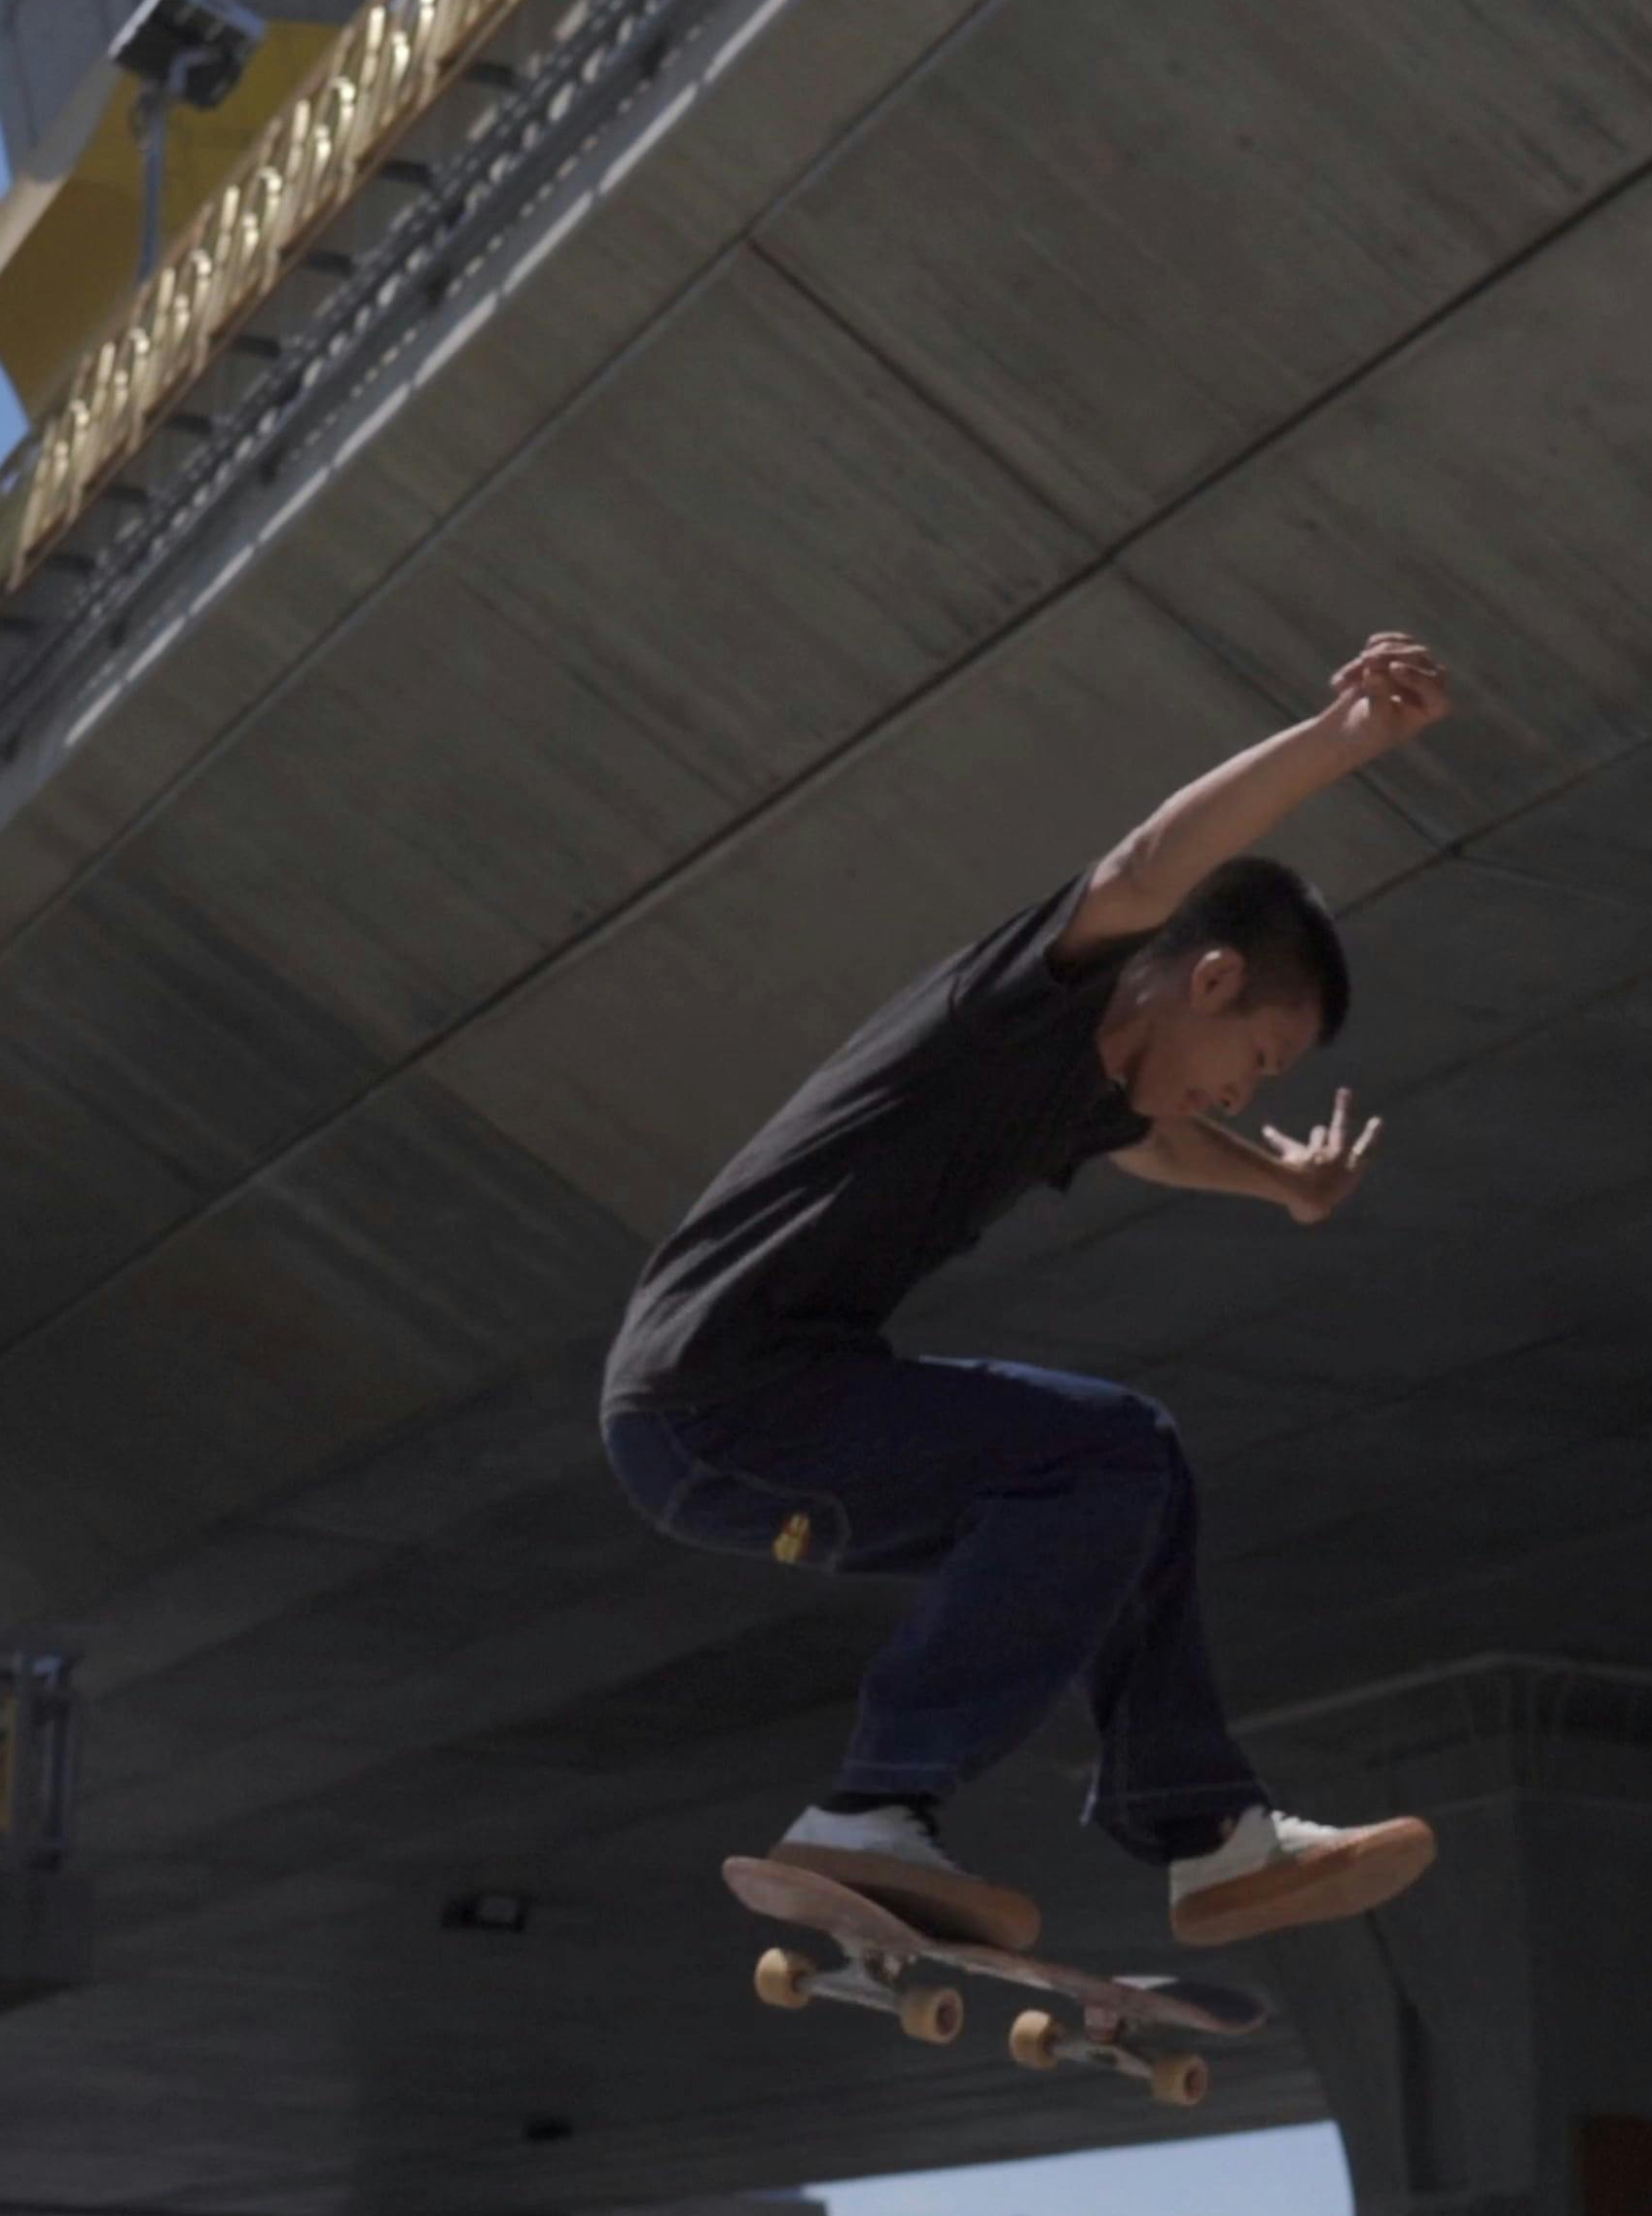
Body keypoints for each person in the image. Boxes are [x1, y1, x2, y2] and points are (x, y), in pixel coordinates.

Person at [601, 631, 1451, 1955]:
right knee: (1103, 1450)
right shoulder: (1023, 1005)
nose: (1247, 1093)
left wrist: (1283, 1189)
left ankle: (1208, 1838)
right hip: (712, 1396)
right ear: (1211, 976)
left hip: (760, 1415)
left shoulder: (1081, 1098)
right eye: (1256, 1055)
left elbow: (1162, 1139)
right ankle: (873, 1808)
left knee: (1131, 1475)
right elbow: (1146, 868)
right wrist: (1342, 741)